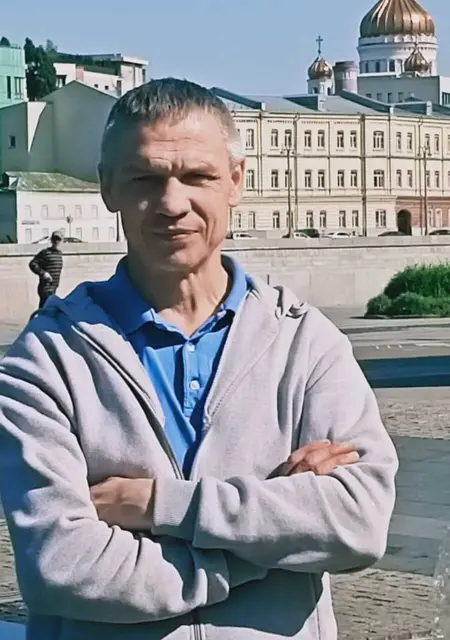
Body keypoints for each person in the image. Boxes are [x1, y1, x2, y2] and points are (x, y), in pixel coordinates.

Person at [0, 78, 398, 640]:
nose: (172, 203)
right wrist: (260, 548)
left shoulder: (305, 343)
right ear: (108, 187)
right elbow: (62, 567)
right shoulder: (48, 359)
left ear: (236, 182)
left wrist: (158, 504)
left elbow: (359, 523)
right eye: (145, 178)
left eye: (197, 177)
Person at [28, 231, 63, 308]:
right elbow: (32, 264)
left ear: (62, 241)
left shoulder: (59, 254)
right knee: (47, 310)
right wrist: (43, 273)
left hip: (53, 288)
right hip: (45, 288)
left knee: (46, 310)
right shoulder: (45, 253)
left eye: (58, 240)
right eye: (54, 239)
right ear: (51, 240)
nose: (56, 242)